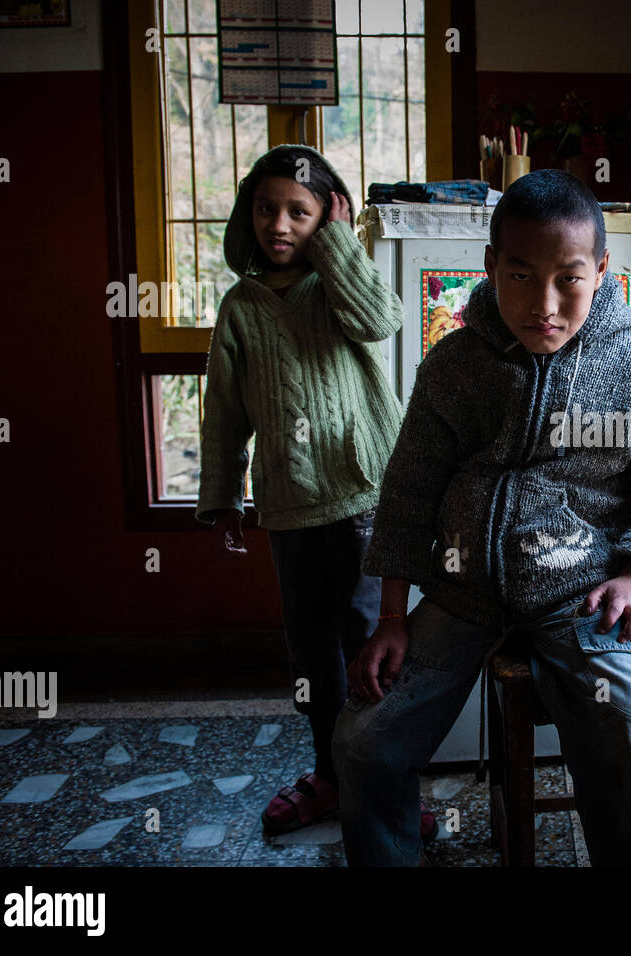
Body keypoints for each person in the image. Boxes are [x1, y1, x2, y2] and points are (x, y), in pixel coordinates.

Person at [333, 169, 631, 866]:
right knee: (364, 739)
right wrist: (392, 616)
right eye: (519, 276)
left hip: (582, 594)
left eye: (568, 278)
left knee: (627, 716)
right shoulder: (454, 365)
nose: (544, 304)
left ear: (602, 270)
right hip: (461, 594)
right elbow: (408, 489)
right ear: (489, 269)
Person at [195, 144, 436, 841]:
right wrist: (221, 496)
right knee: (312, 659)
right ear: (248, 215)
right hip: (290, 505)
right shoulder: (239, 308)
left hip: (364, 498)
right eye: (267, 209)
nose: (280, 224)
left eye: (300, 213)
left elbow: (383, 319)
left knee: (373, 651)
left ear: (326, 220)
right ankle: (331, 778)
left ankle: (385, 786)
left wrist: (337, 245)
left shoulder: (338, 284)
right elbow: (224, 413)